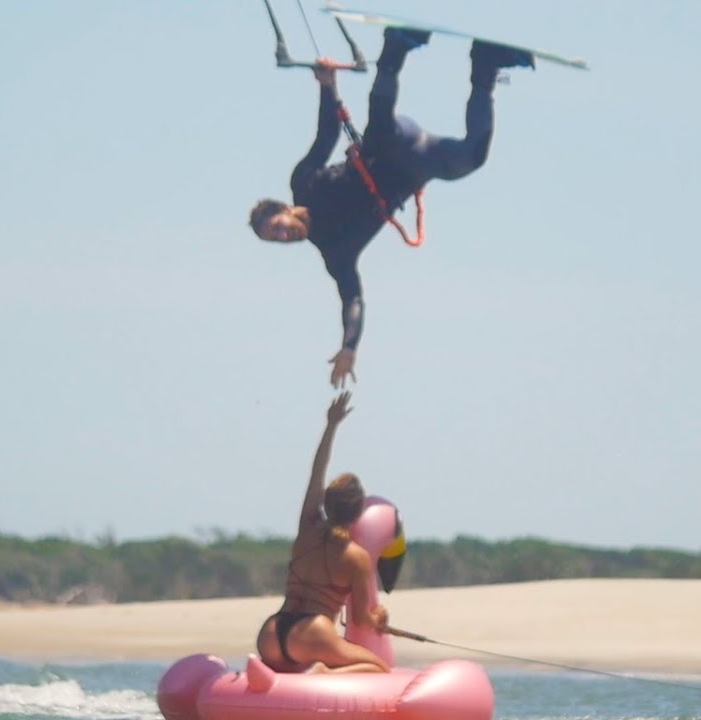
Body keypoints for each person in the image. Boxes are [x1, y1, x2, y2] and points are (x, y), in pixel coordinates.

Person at [249, 29, 536, 388]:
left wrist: (327, 85)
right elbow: (352, 299)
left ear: (284, 208)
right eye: (276, 239)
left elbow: (326, 137)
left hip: (390, 145)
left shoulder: (303, 183)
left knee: (380, 126)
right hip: (421, 166)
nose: (283, 235)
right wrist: (349, 346)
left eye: (276, 226)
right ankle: (486, 64)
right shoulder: (334, 252)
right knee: (472, 157)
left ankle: (396, 46)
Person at [255, 391, 391, 673]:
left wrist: (331, 425)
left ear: (327, 504)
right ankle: (325, 673)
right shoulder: (357, 557)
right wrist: (379, 619)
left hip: (271, 632)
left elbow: (316, 472)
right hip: (314, 635)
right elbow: (361, 620)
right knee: (378, 668)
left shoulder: (307, 527)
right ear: (357, 514)